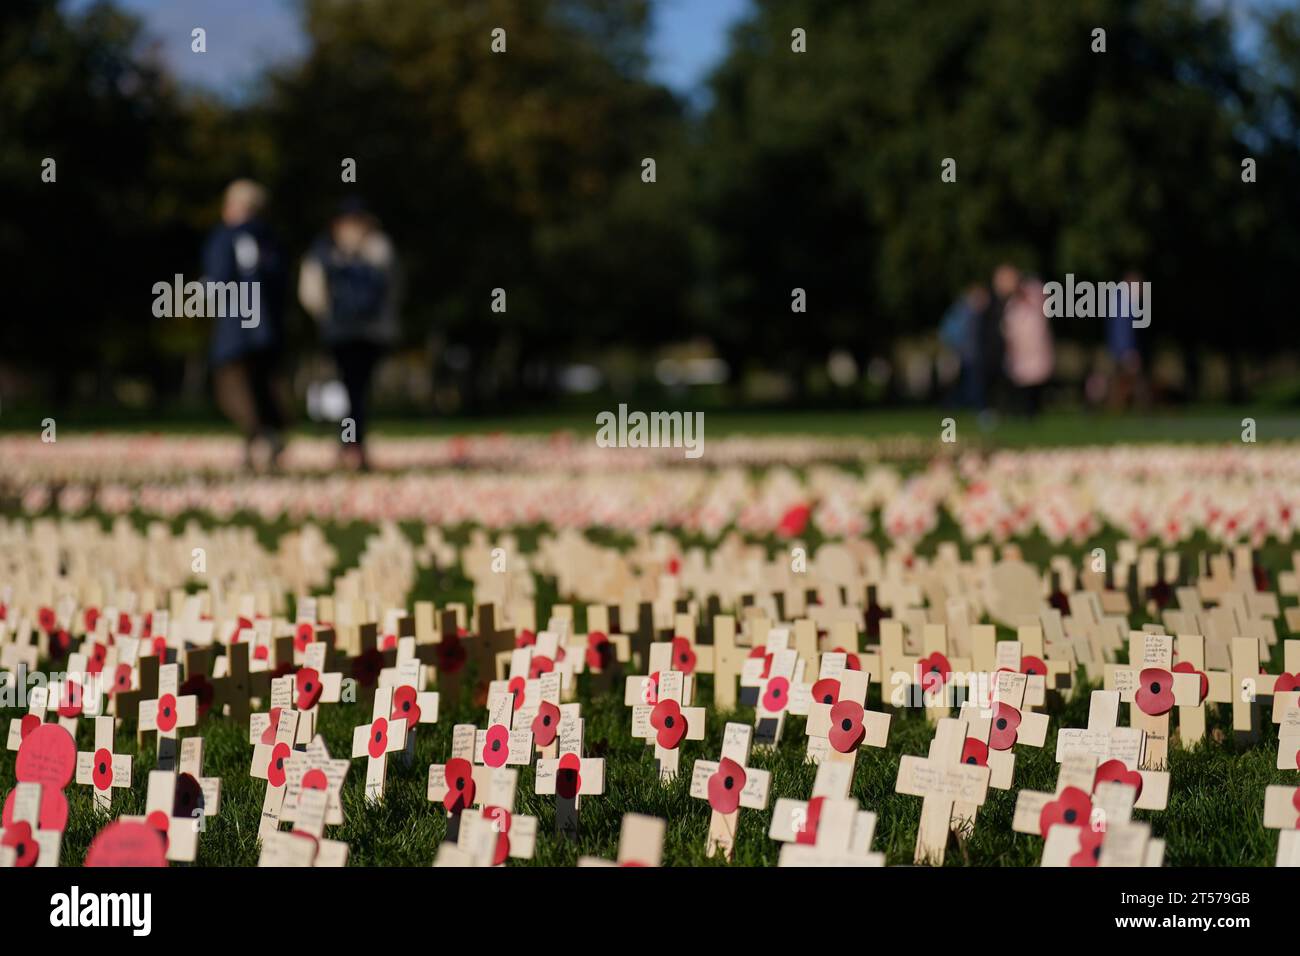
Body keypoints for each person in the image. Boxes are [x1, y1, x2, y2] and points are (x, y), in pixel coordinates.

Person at [298, 199, 400, 470]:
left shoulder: (325, 251)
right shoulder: (380, 248)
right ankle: (354, 445)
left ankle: (349, 444)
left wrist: (327, 317)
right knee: (357, 390)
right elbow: (394, 290)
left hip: (340, 332)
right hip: (370, 332)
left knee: (349, 389)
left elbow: (310, 293)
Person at [203, 179, 290, 470]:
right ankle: (267, 438)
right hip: (267, 329)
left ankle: (259, 437)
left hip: (235, 329)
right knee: (263, 385)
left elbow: (218, 280)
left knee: (234, 388)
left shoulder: (226, 237)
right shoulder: (271, 239)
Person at [1001, 275, 1053, 417]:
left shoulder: (1035, 296)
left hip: (1037, 351)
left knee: (1035, 384)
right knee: (1021, 385)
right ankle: (1021, 414)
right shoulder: (1012, 306)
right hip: (1021, 353)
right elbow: (1008, 331)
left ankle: (1033, 414)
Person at [939, 283, 990, 408]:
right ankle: (964, 404)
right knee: (968, 382)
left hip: (970, 353)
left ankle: (962, 404)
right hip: (964, 353)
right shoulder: (964, 312)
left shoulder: (970, 312)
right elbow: (950, 332)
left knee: (969, 382)